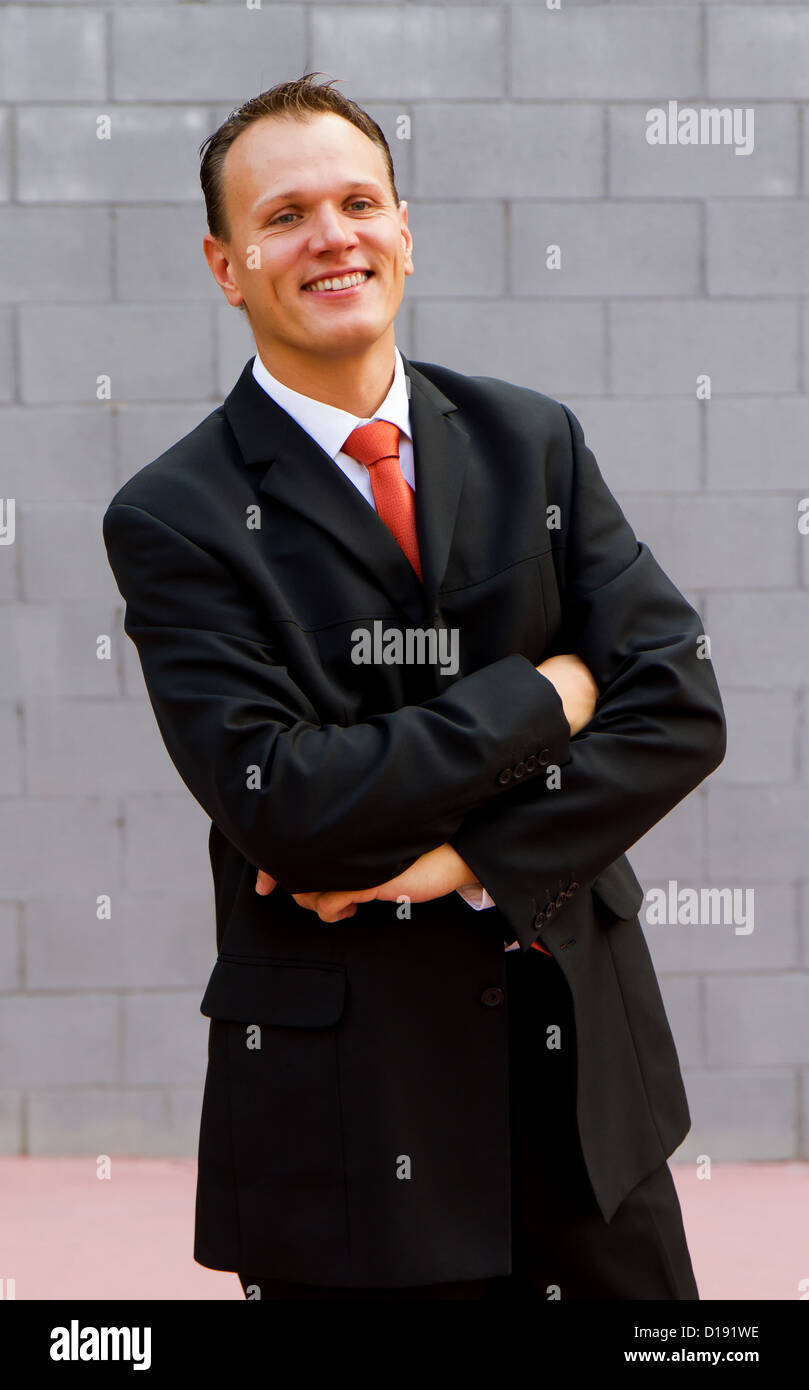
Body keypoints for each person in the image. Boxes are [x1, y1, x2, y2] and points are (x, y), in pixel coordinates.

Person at [102, 73, 727, 1300]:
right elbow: (282, 800)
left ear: (402, 227)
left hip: (581, 1104)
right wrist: (544, 697)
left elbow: (677, 705)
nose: (331, 236)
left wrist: (467, 861)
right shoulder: (172, 516)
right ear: (227, 265)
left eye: (357, 202)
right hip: (345, 1118)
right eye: (284, 216)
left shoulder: (528, 438)